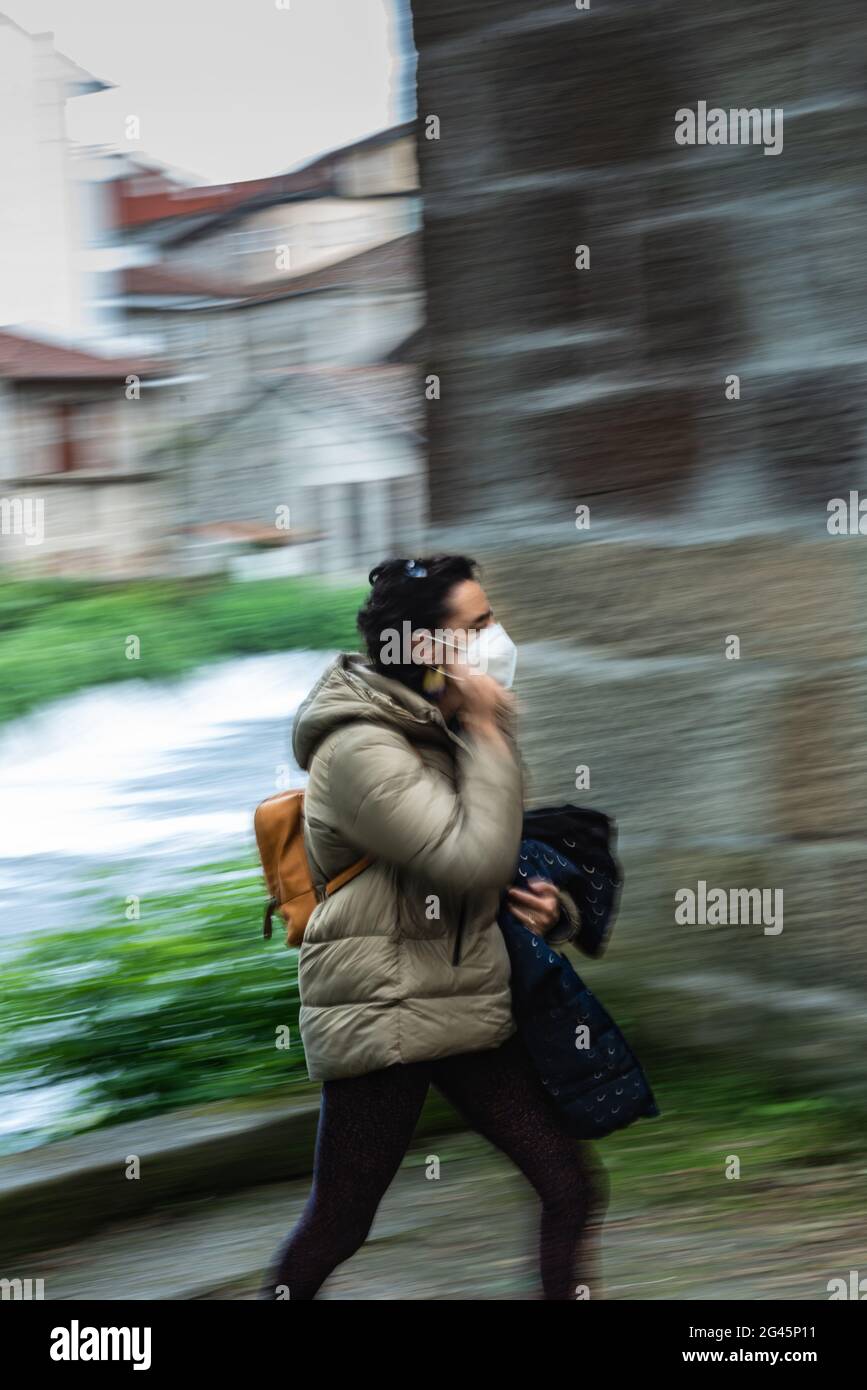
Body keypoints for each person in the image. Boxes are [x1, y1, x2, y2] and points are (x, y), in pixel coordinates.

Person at [261, 554, 609, 1300]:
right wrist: (487, 728)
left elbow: (502, 850)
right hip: (386, 1013)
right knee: (341, 1223)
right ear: (423, 646)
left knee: (570, 1188)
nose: (496, 636)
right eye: (477, 625)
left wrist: (553, 910)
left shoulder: (436, 720)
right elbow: (468, 861)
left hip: (460, 997)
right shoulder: (360, 747)